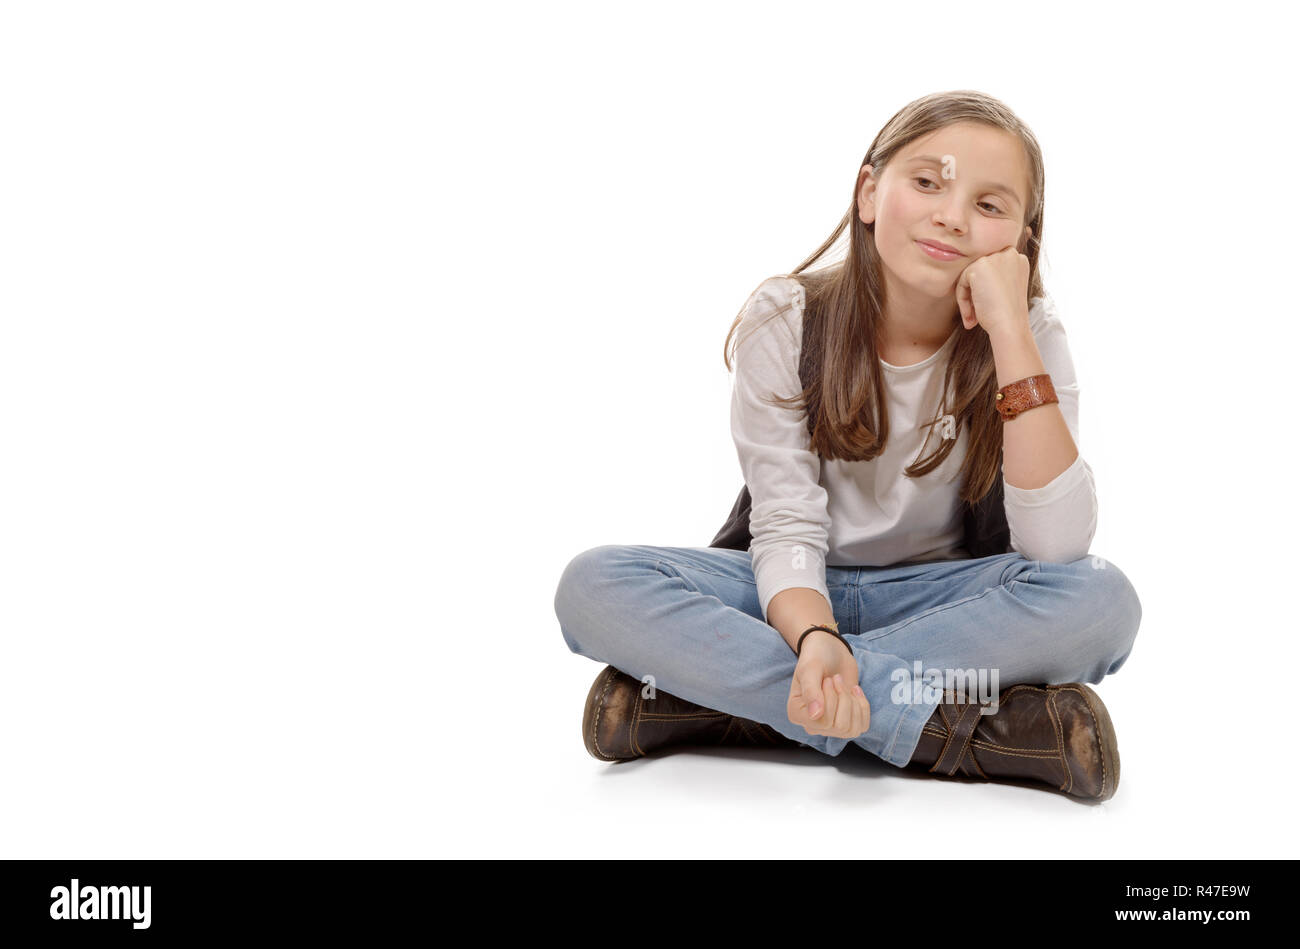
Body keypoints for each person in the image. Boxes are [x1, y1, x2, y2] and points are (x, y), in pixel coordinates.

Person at [553, 90, 1142, 802]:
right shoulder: (788, 316)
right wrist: (813, 639)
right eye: (927, 182)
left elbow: (1055, 549)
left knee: (1103, 601)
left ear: (1022, 238)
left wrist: (1011, 333)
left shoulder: (1031, 336)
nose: (952, 215)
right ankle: (948, 725)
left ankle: (725, 704)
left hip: (944, 607)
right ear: (870, 191)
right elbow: (785, 525)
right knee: (594, 586)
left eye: (990, 206)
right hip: (788, 596)